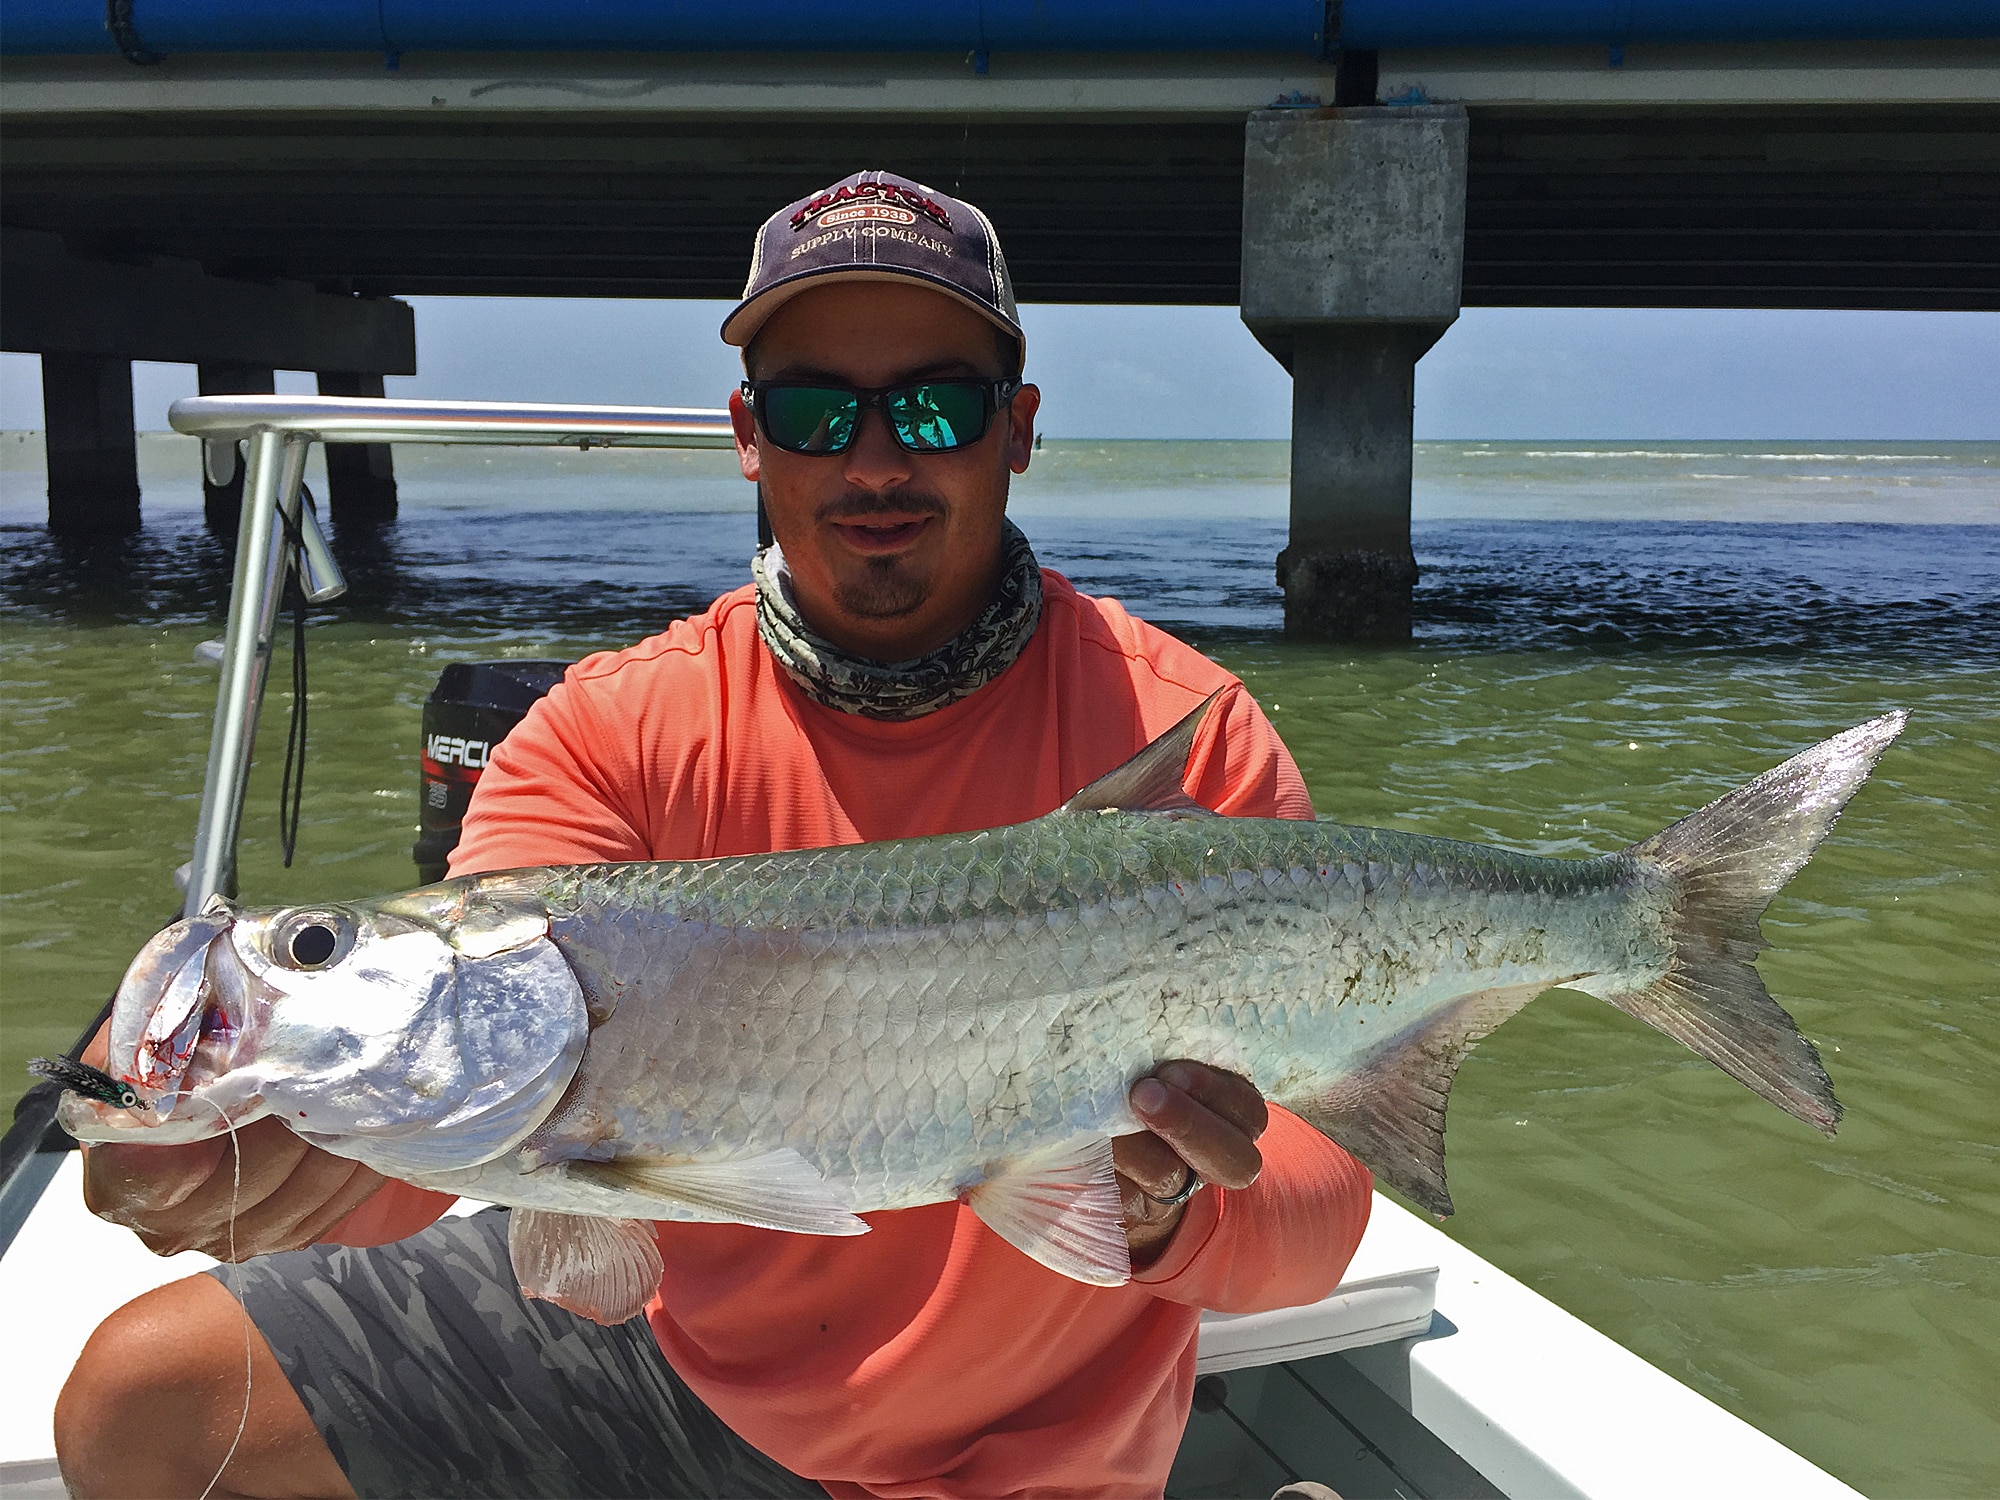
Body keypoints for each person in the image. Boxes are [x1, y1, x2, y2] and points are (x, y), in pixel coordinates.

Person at [56, 171, 1373, 1499]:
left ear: (1016, 428)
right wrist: (211, 1121)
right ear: (750, 435)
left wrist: (1166, 1211)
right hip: (680, 1361)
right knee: (143, 1399)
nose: (874, 460)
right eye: (813, 411)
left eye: (935, 404)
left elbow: (1318, 1226)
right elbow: (440, 1114)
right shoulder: (613, 730)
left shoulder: (1179, 739)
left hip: (1029, 1455)